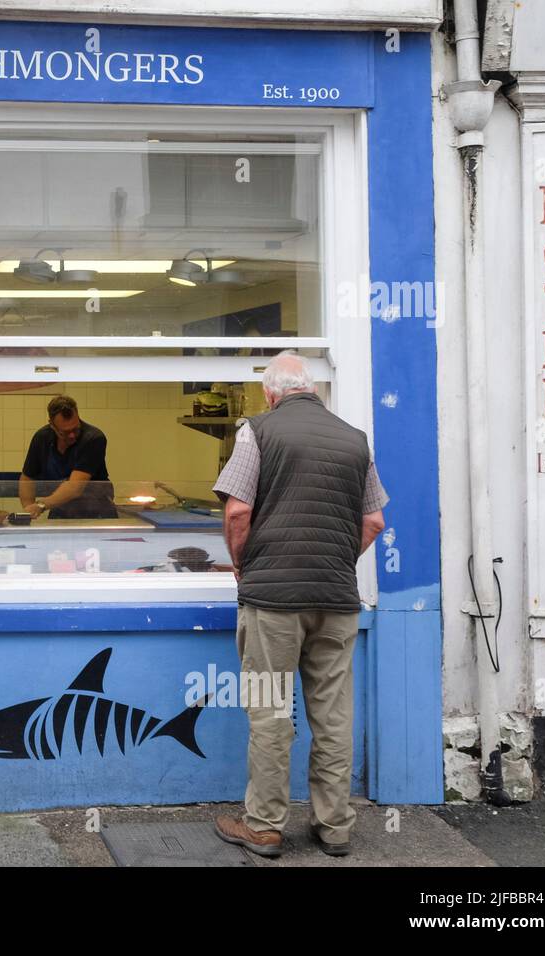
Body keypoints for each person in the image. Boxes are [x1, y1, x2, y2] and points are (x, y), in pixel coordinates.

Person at [210, 351, 387, 858]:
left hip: (273, 604)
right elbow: (374, 522)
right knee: (332, 716)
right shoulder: (355, 440)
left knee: (269, 712)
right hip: (336, 600)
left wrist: (244, 563)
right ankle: (335, 827)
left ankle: (264, 826)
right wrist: (333, 559)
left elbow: (238, 511)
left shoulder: (257, 430)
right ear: (311, 388)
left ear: (270, 393)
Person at [18, 395, 117, 520]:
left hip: (97, 513)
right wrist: (29, 512)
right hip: (60, 508)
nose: (71, 436)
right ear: (52, 425)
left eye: (75, 429)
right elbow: (27, 479)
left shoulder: (94, 438)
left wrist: (40, 505)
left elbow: (75, 487)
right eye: (64, 432)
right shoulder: (41, 438)